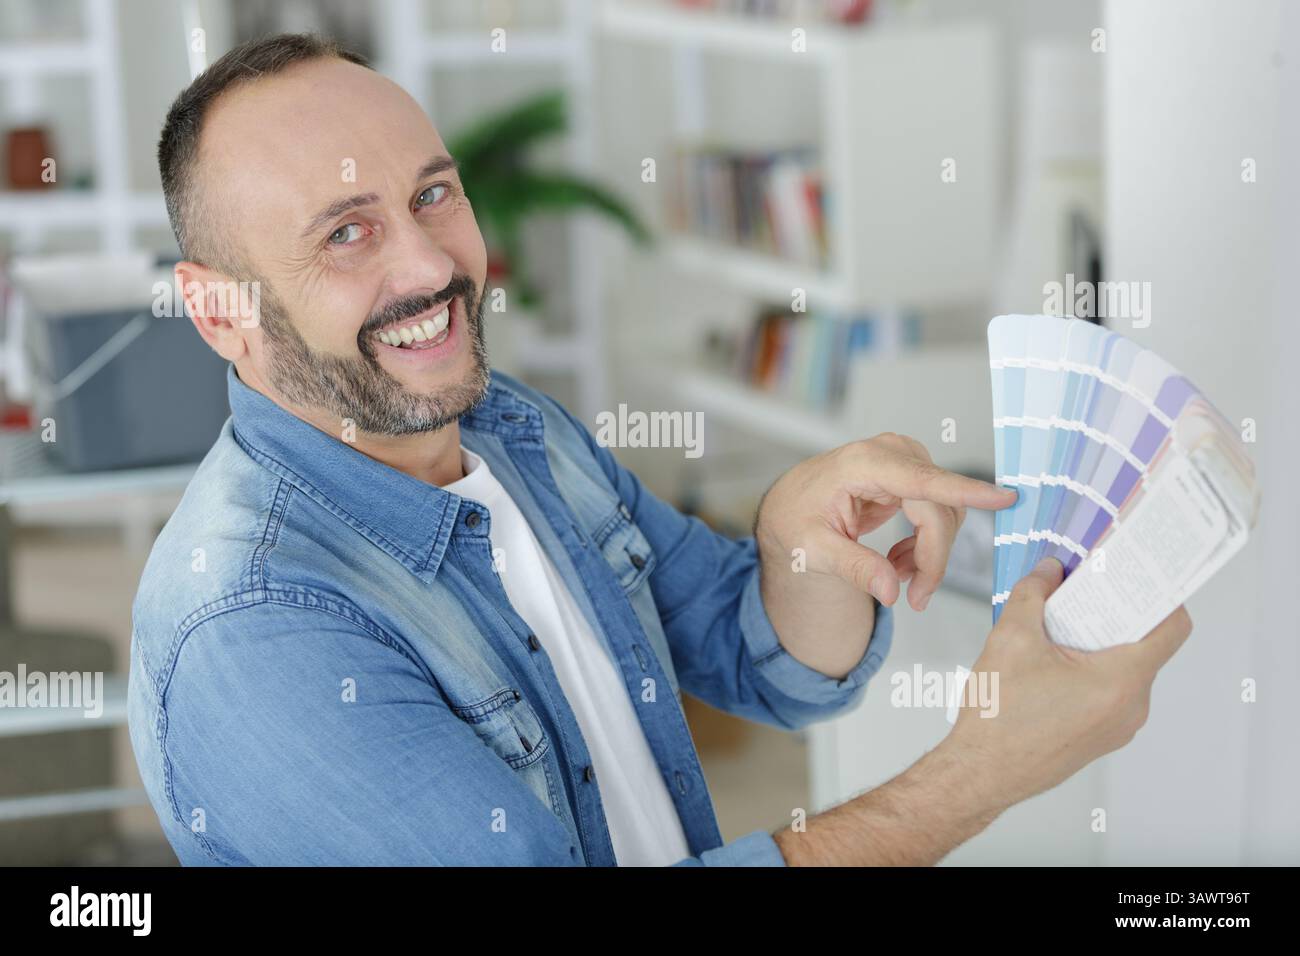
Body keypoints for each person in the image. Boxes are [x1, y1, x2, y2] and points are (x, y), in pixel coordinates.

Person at [127, 33, 1191, 866]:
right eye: (346, 232)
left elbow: (750, 651)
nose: (432, 264)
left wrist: (793, 539)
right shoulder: (255, 629)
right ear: (219, 311)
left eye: (432, 193)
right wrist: (983, 771)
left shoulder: (510, 424)